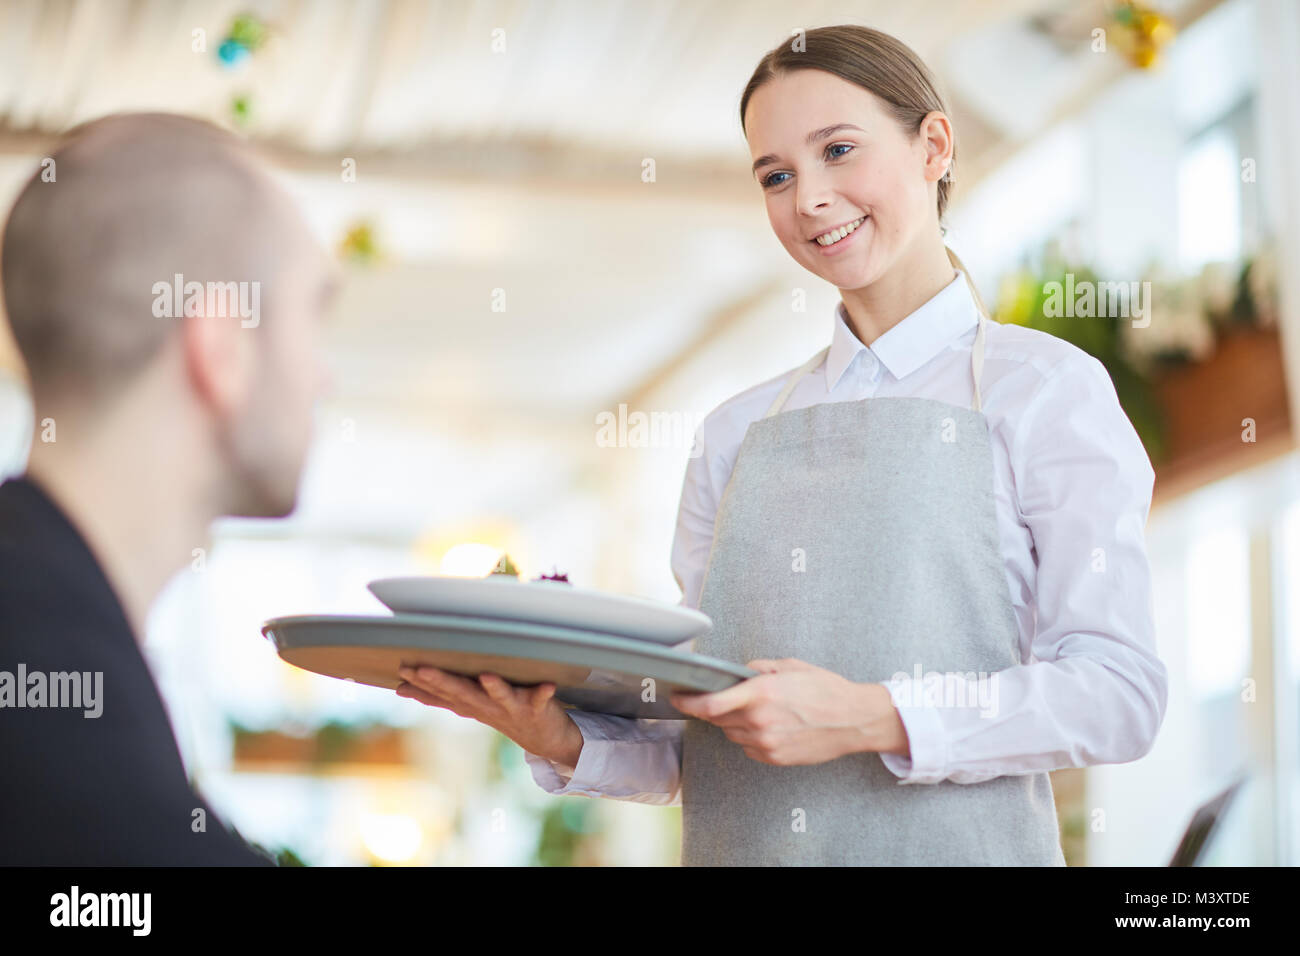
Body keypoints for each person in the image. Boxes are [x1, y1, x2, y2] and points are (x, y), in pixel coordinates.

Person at [395, 25, 1168, 866]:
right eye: (777, 175)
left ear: (933, 145)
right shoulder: (736, 433)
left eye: (839, 150)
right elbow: (701, 738)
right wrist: (553, 732)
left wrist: (872, 716)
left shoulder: (1047, 390)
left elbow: (1117, 695)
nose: (809, 199)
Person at [0, 112, 337, 865]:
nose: (325, 374)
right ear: (220, 348)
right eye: (313, 314)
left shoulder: (51, 620)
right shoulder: (43, 672)